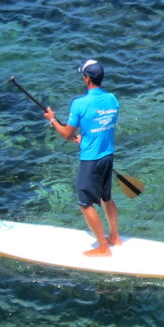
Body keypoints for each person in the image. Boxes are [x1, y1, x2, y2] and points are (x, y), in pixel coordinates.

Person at [43, 59, 121, 257]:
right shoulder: (112, 99)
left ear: (87, 78)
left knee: (85, 203)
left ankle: (103, 247)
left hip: (91, 160)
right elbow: (100, 126)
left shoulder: (80, 103)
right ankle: (115, 237)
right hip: (107, 156)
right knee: (106, 197)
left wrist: (52, 120)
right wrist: (84, 139)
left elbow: (66, 134)